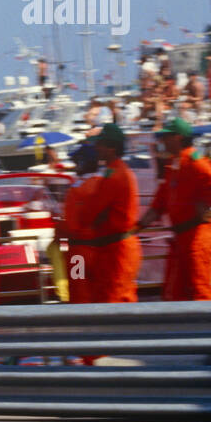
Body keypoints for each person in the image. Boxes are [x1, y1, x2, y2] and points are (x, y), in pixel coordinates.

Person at [138, 117, 211, 301]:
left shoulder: (195, 161)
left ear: (178, 138)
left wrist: (204, 204)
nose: (162, 141)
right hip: (182, 237)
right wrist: (136, 227)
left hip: (197, 235)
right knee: (175, 291)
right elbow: (159, 203)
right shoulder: (174, 165)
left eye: (166, 137)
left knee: (199, 288)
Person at [86, 123, 142, 303]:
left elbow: (92, 214)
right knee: (107, 298)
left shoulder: (113, 176)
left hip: (109, 250)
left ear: (111, 147)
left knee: (112, 302)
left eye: (100, 144)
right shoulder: (111, 174)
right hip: (103, 249)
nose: (96, 148)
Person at [59, 144, 102, 303]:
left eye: (76, 162)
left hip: (79, 253)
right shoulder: (105, 183)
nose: (74, 166)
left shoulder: (76, 190)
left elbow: (68, 227)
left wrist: (63, 251)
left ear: (83, 163)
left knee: (80, 294)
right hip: (103, 249)